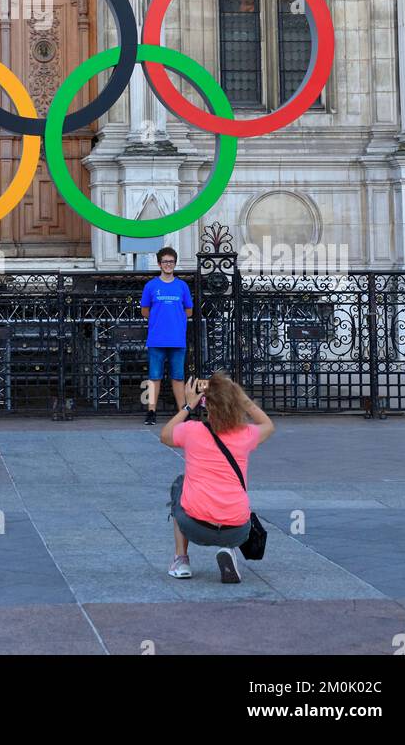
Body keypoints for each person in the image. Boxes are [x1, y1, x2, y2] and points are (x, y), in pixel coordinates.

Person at [161, 371, 274, 582]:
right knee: (228, 503)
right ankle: (227, 548)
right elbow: (268, 425)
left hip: (196, 527)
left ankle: (181, 560)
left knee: (179, 485)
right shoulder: (246, 434)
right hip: (238, 531)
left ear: (207, 405)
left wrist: (188, 405)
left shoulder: (191, 431)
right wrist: (242, 398)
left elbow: (165, 435)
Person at [140, 246, 192, 425]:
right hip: (156, 338)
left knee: (178, 376)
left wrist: (174, 320)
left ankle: (182, 412)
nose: (168, 265)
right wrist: (160, 321)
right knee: (154, 376)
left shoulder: (182, 286)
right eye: (165, 262)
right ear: (159, 264)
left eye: (171, 261)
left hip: (177, 338)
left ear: (175, 263)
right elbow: (145, 310)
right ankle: (151, 412)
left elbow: (189, 310)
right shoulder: (151, 285)